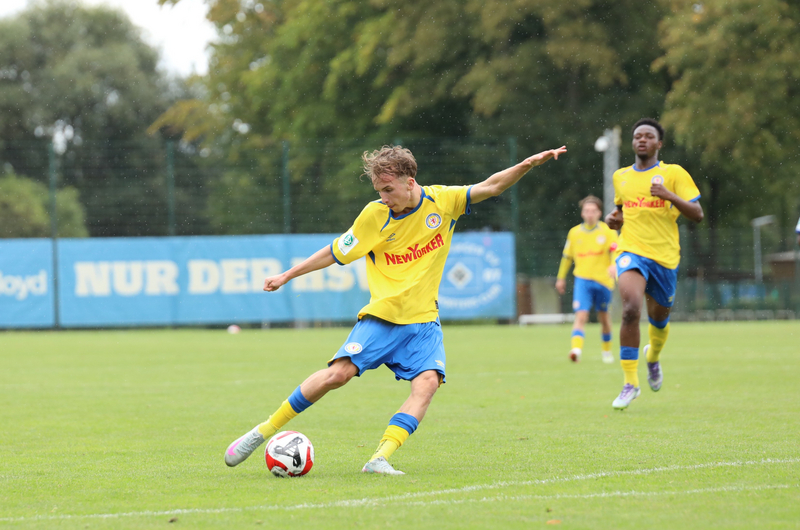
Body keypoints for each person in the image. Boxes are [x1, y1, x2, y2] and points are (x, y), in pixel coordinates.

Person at [224, 144, 567, 474]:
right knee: (337, 375)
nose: (384, 198)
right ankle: (262, 431)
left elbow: (491, 186)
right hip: (384, 317)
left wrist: (526, 164)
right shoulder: (374, 216)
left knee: (427, 384)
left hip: (424, 322)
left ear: (410, 182)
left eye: (388, 190)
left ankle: (380, 457)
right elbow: (334, 251)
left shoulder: (442, 201)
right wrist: (287, 274)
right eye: (379, 191)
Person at [605, 118, 703, 410]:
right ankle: (630, 383)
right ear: (632, 143)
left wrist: (668, 195)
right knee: (631, 308)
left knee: (659, 320)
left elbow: (697, 213)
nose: (642, 140)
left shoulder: (673, 174)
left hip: (665, 258)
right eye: (638, 136)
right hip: (631, 251)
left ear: (659, 144)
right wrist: (614, 219)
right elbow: (621, 210)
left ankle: (653, 357)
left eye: (649, 136)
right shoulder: (620, 176)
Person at [555, 195, 618, 364]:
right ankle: (576, 350)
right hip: (582, 280)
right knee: (581, 316)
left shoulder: (608, 231)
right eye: (586, 211)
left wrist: (613, 265)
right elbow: (567, 257)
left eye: (593, 211)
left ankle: (606, 352)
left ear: (599, 213)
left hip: (604, 281)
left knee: (604, 318)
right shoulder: (574, 233)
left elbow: (615, 251)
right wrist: (560, 278)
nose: (590, 214)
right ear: (582, 213)